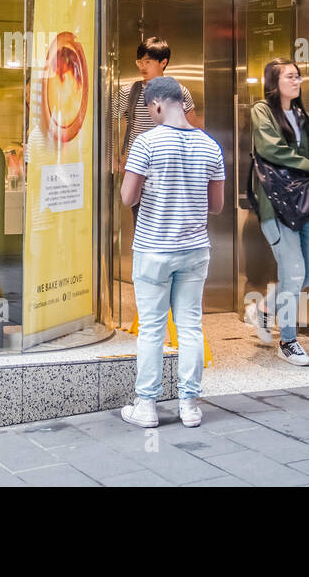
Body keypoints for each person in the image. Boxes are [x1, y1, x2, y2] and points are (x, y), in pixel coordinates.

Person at [119, 76, 225, 429]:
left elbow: (127, 197)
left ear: (157, 105)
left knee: (151, 329)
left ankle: (146, 407)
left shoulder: (145, 143)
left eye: (150, 109)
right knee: (190, 326)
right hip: (194, 250)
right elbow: (217, 206)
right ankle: (189, 405)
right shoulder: (211, 146)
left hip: (153, 249)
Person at [244, 58, 309, 367]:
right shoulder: (262, 110)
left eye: (298, 76)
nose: (296, 81)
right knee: (294, 272)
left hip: (303, 202)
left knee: (306, 273)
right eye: (289, 76)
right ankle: (288, 340)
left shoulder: (301, 114)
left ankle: (262, 311)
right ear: (274, 81)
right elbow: (271, 149)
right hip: (275, 202)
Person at [115, 37, 201, 171]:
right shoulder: (128, 92)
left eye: (148, 62)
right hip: (138, 163)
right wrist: (115, 159)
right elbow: (107, 126)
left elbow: (194, 128)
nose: (143, 66)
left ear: (163, 62)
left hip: (171, 164)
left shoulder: (180, 92)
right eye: (140, 62)